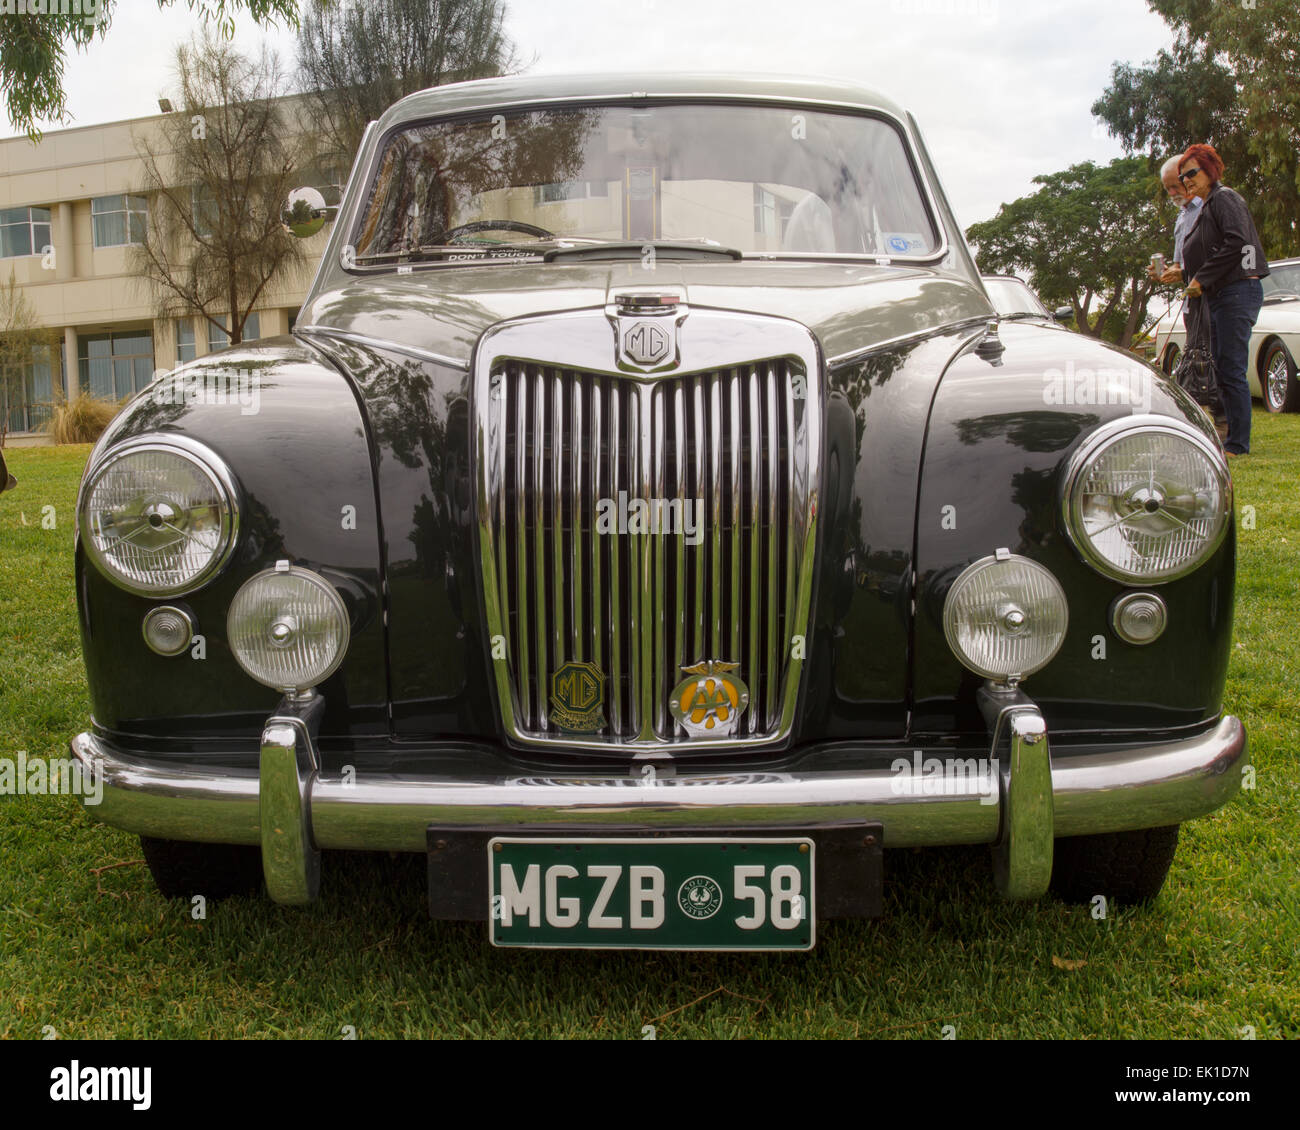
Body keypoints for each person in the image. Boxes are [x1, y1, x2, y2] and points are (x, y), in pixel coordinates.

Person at [1178, 143, 1269, 457]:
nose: (1186, 180)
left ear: (1209, 168)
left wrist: (1202, 278)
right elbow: (1208, 251)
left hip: (1238, 291)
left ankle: (1238, 445)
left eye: (1191, 172)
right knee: (1223, 367)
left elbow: (1238, 242)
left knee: (1231, 367)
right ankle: (1231, 438)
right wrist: (1186, 274)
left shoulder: (1225, 198)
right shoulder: (1207, 206)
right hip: (1220, 294)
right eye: (1182, 176)